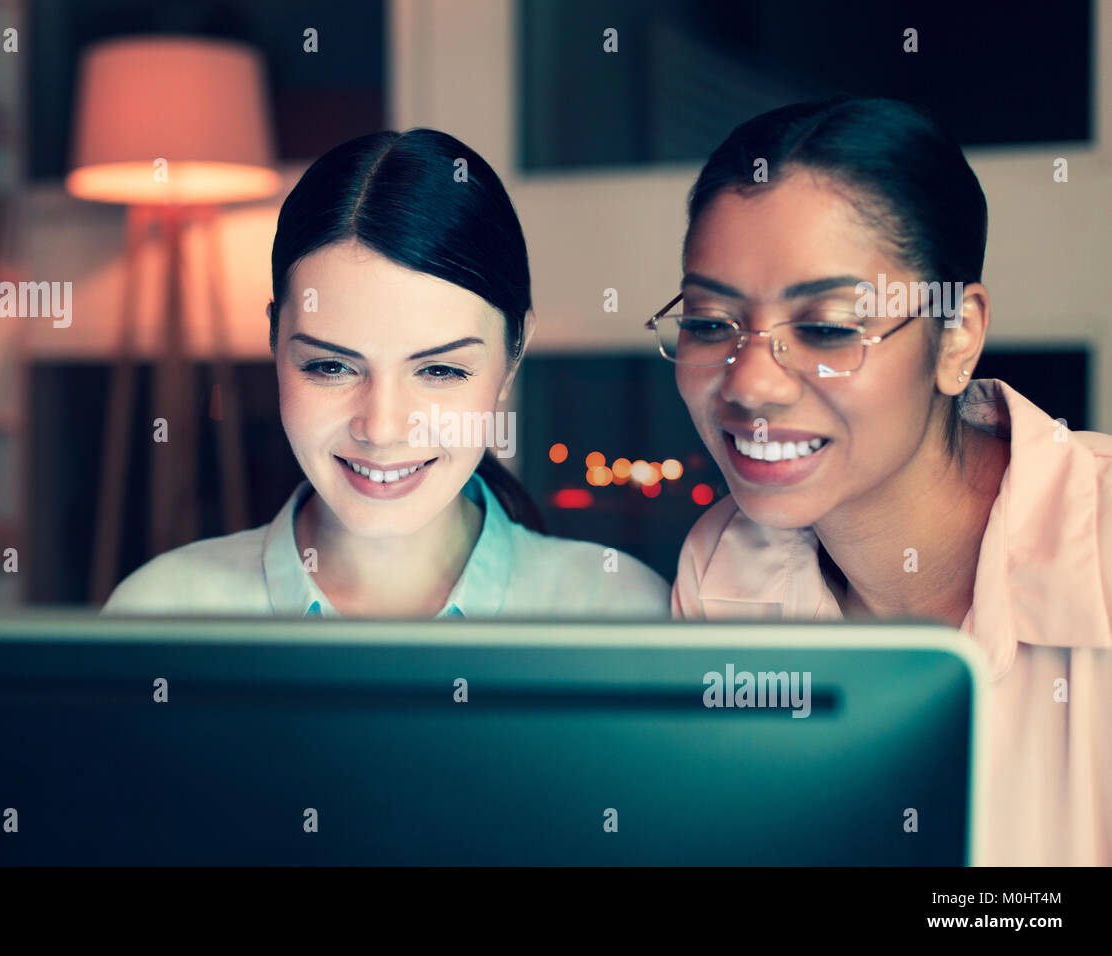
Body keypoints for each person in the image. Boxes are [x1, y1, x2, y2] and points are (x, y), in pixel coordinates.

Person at [657, 97, 1111, 865]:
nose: (751, 385)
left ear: (955, 338)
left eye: (828, 327)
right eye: (709, 323)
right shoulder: (722, 570)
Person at [104, 128, 668, 619]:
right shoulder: (158, 615)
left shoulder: (620, 611)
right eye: (330, 366)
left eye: (441, 370)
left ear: (513, 356)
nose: (382, 428)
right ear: (275, 341)